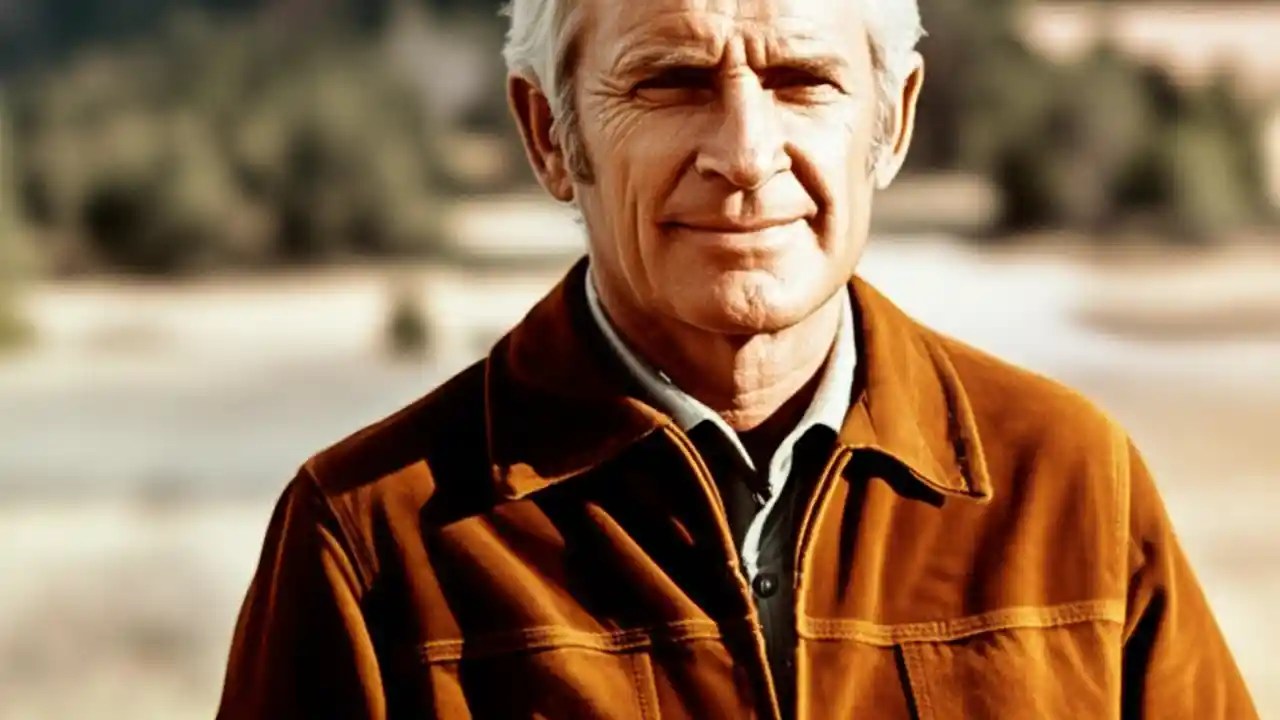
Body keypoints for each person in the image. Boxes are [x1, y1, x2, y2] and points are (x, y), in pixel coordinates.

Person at [216, 0, 1258, 717]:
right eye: (669, 83)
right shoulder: (369, 543)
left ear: (889, 122)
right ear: (548, 135)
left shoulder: (1069, 483)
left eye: (802, 79)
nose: (744, 153)